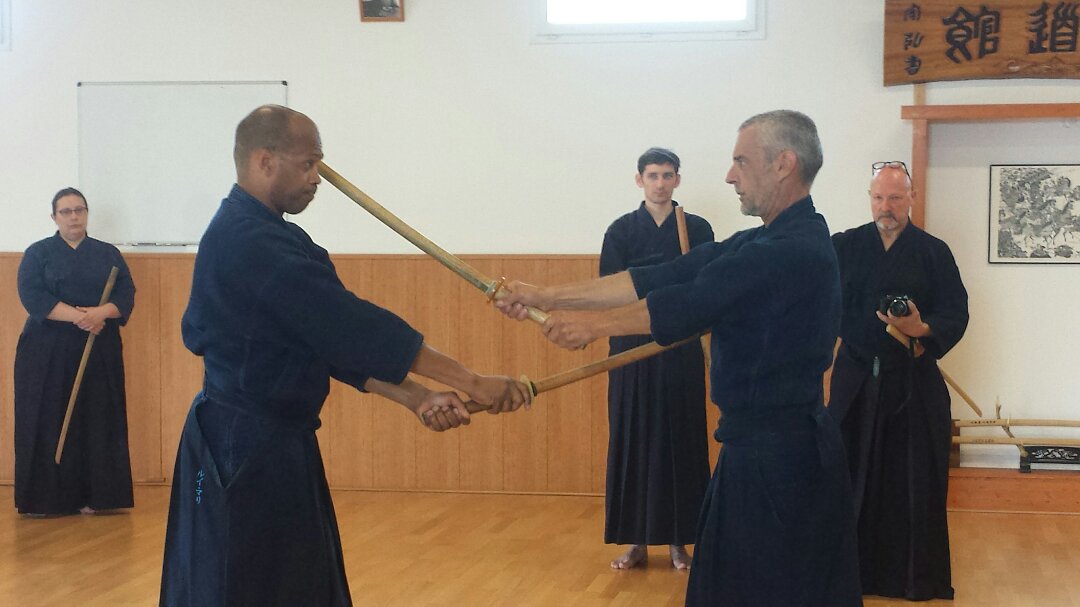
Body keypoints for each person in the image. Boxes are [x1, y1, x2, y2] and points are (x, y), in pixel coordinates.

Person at [159, 104, 531, 606]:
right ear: (265, 161)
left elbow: (327, 345)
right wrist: (474, 382)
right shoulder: (248, 242)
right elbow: (355, 326)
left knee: (293, 580)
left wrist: (417, 397)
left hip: (272, 441)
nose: (318, 179)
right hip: (241, 448)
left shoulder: (277, 237)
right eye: (308, 164)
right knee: (243, 582)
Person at [495, 110, 862, 606]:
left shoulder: (789, 251)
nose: (730, 175)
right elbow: (668, 276)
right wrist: (546, 295)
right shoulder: (767, 239)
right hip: (759, 452)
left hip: (780, 463)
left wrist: (594, 327)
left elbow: (691, 302)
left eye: (740, 161)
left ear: (783, 164)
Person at [828, 161, 968, 601]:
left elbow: (956, 312)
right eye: (878, 198)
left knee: (913, 483)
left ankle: (913, 579)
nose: (885, 207)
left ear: (911, 198)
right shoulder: (844, 246)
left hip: (911, 382)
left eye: (894, 198)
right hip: (855, 379)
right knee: (846, 477)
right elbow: (821, 302)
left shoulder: (933, 251)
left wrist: (921, 330)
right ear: (869, 198)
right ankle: (847, 577)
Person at [599, 147, 712, 570]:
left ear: (678, 180)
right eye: (653, 176)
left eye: (667, 175)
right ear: (639, 181)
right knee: (633, 440)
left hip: (679, 348)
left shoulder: (696, 229)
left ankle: (679, 541)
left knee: (679, 440)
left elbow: (706, 288)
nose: (660, 183)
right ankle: (635, 541)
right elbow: (610, 291)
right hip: (631, 350)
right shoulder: (622, 231)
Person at [14, 187, 136, 517]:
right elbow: (33, 296)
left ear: (86, 214)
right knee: (49, 417)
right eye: (66, 211)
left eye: (79, 210)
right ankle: (48, 499)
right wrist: (82, 317)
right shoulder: (38, 253)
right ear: (54, 217)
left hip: (98, 349)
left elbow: (126, 292)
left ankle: (99, 496)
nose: (73, 217)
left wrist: (102, 313)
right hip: (47, 352)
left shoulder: (107, 253)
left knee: (97, 418)